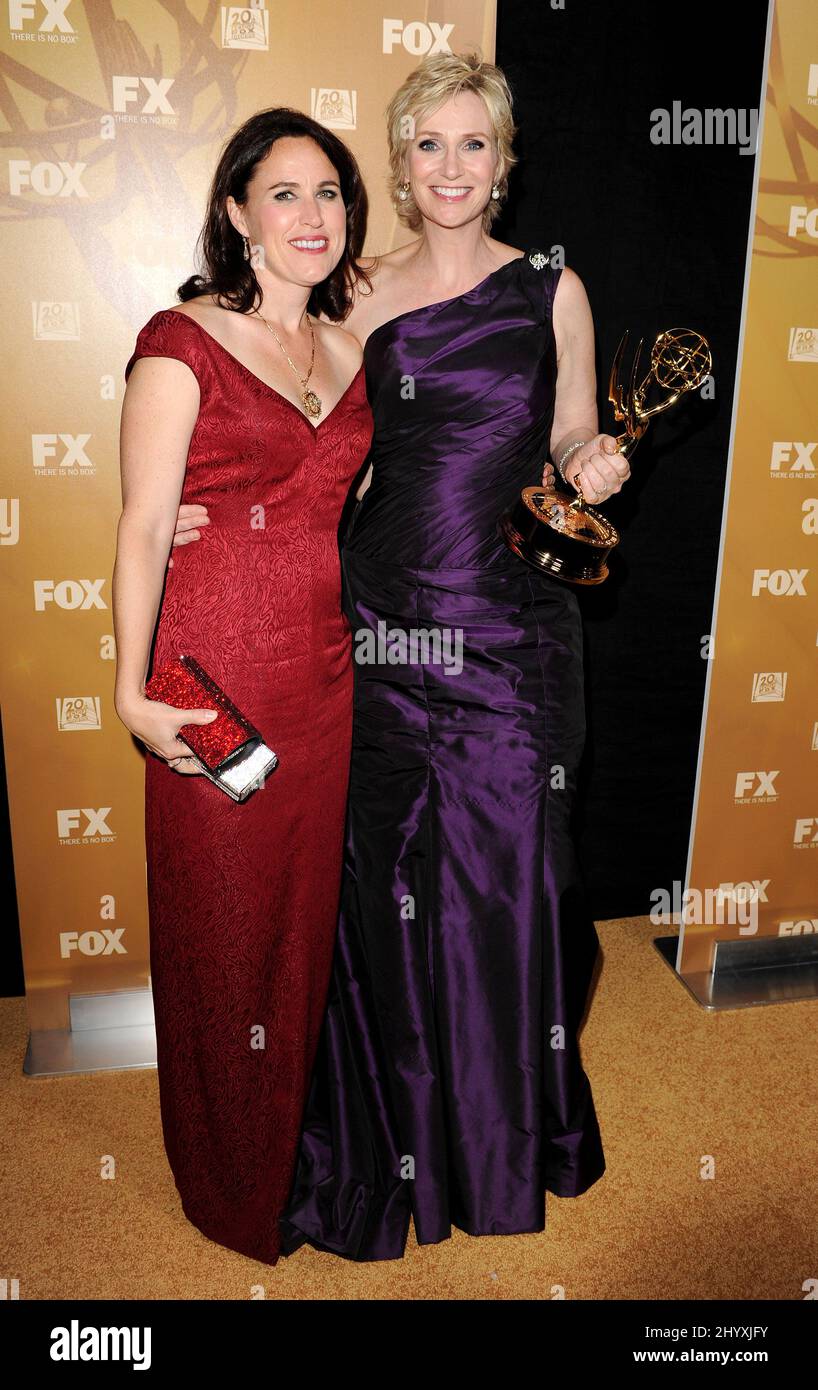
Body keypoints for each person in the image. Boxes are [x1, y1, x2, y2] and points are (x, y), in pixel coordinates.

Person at [173, 54, 631, 1262]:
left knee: (507, 870)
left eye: (473, 145)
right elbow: (293, 435)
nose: (449, 168)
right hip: (376, 625)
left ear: (506, 163)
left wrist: (590, 462)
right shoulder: (358, 291)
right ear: (400, 159)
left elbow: (572, 418)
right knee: (384, 882)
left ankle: (503, 1135)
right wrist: (204, 509)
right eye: (426, 144)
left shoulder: (552, 290)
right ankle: (404, 1131)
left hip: (512, 631)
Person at [112, 109, 374, 1265]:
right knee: (220, 931)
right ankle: (230, 1179)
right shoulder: (181, 341)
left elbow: (344, 514)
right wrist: (129, 691)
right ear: (235, 213)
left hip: (322, 674)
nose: (311, 215)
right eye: (284, 193)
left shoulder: (355, 353)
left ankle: (293, 1140)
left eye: (329, 194)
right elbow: (139, 527)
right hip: (211, 673)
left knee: (296, 930)